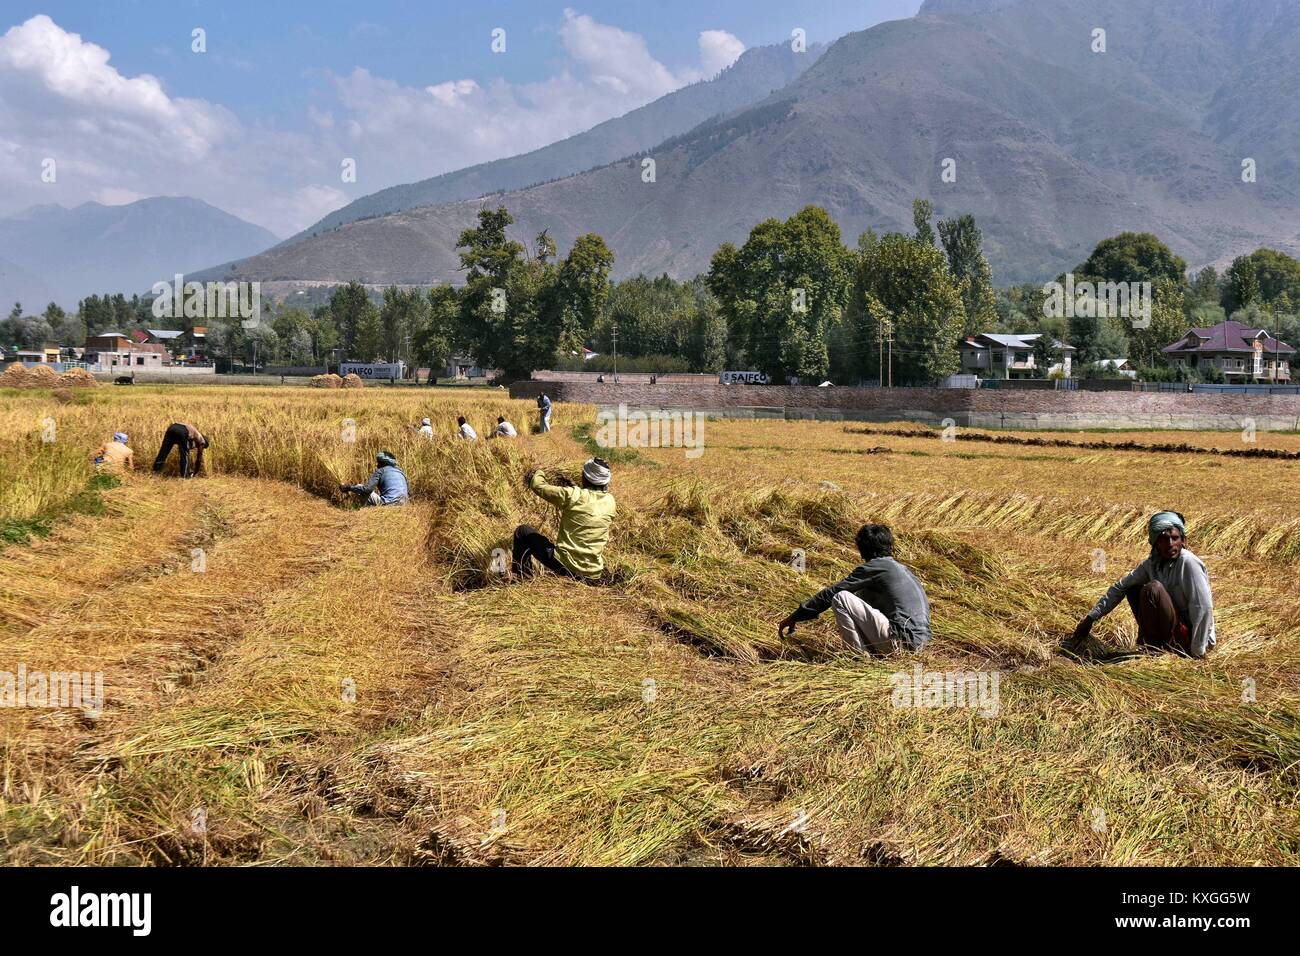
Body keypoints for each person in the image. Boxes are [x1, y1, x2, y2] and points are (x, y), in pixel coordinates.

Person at [1072, 511, 1215, 657]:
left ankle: (1154, 648)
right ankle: (1153, 647)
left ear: (1183, 541)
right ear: (1155, 543)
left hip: (1191, 640)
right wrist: (1090, 619)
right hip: (1172, 632)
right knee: (1133, 589)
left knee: (1153, 589)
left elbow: (1203, 608)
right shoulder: (1153, 564)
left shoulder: (1188, 562)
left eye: (1175, 538)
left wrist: (1197, 651)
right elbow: (1120, 587)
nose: (1170, 544)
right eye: (1164, 539)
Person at [778, 524, 932, 655]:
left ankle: (857, 657)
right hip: (920, 643)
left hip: (902, 642)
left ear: (862, 549)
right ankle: (876, 652)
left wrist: (795, 616)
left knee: (841, 598)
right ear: (890, 546)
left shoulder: (876, 568)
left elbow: (831, 593)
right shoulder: (900, 569)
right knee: (860, 595)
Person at [513, 457, 615, 580]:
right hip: (593, 572)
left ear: (585, 477)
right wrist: (575, 489)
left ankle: (523, 578)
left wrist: (539, 470)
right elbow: (588, 505)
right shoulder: (610, 501)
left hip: (568, 566)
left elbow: (537, 485)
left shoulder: (572, 495)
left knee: (522, 532)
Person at [339, 451, 409, 506]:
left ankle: (366, 513)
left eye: (378, 462)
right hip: (404, 504)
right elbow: (408, 491)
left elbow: (367, 489)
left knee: (360, 487)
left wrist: (349, 488)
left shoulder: (381, 470)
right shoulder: (401, 471)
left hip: (389, 504)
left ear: (382, 463)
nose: (377, 464)